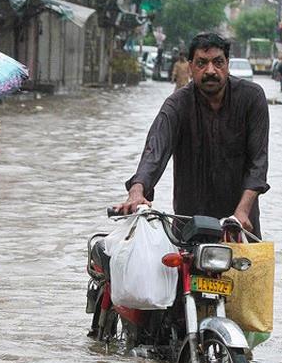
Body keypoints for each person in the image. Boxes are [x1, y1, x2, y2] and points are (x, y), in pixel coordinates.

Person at [116, 32, 270, 237]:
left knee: (254, 268)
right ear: (190, 67)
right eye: (201, 63)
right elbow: (155, 150)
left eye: (218, 62)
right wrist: (137, 191)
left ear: (227, 64)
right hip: (189, 224)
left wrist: (242, 211)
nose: (211, 71)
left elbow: (258, 163)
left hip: (241, 223)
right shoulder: (177, 104)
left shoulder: (252, 98)